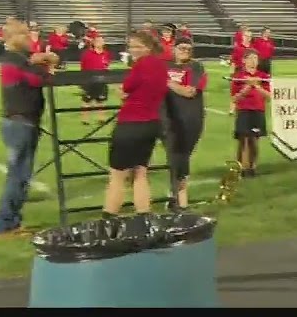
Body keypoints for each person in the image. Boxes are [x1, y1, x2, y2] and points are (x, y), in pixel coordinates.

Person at [0, 20, 58, 241]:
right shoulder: (13, 62)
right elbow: (39, 80)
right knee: (18, 176)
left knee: (21, 176)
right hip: (20, 124)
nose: (30, 38)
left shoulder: (18, 60)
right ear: (12, 38)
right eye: (25, 35)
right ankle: (3, 226)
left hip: (23, 122)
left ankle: (11, 223)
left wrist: (41, 61)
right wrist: (45, 64)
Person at [102, 30, 169, 217]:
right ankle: (144, 217)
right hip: (151, 124)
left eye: (137, 46)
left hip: (130, 124)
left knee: (117, 176)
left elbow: (126, 89)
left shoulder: (141, 65)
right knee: (140, 172)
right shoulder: (162, 66)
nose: (133, 50)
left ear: (149, 47)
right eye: (131, 46)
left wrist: (122, 93)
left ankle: (108, 220)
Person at [164, 40, 207, 210]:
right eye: (181, 48)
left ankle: (175, 198)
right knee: (175, 157)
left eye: (189, 49)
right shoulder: (164, 66)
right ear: (174, 49)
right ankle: (179, 200)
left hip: (191, 119)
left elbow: (190, 91)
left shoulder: (196, 67)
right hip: (169, 118)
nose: (185, 51)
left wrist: (167, 82)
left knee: (182, 157)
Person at [231, 50, 272, 178]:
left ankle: (252, 167)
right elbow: (234, 98)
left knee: (254, 140)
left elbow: (269, 96)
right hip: (244, 111)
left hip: (258, 111)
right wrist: (247, 88)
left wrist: (258, 86)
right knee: (243, 139)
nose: (253, 61)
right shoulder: (238, 76)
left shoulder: (263, 76)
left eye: (255, 58)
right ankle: (242, 167)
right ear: (244, 60)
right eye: (250, 58)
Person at [78, 34, 113, 126]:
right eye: (99, 41)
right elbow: (83, 66)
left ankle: (101, 119)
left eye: (102, 41)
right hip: (89, 80)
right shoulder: (87, 54)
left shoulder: (106, 53)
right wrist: (83, 80)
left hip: (102, 80)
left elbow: (107, 65)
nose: (101, 42)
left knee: (101, 100)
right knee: (87, 100)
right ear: (94, 43)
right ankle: (85, 120)